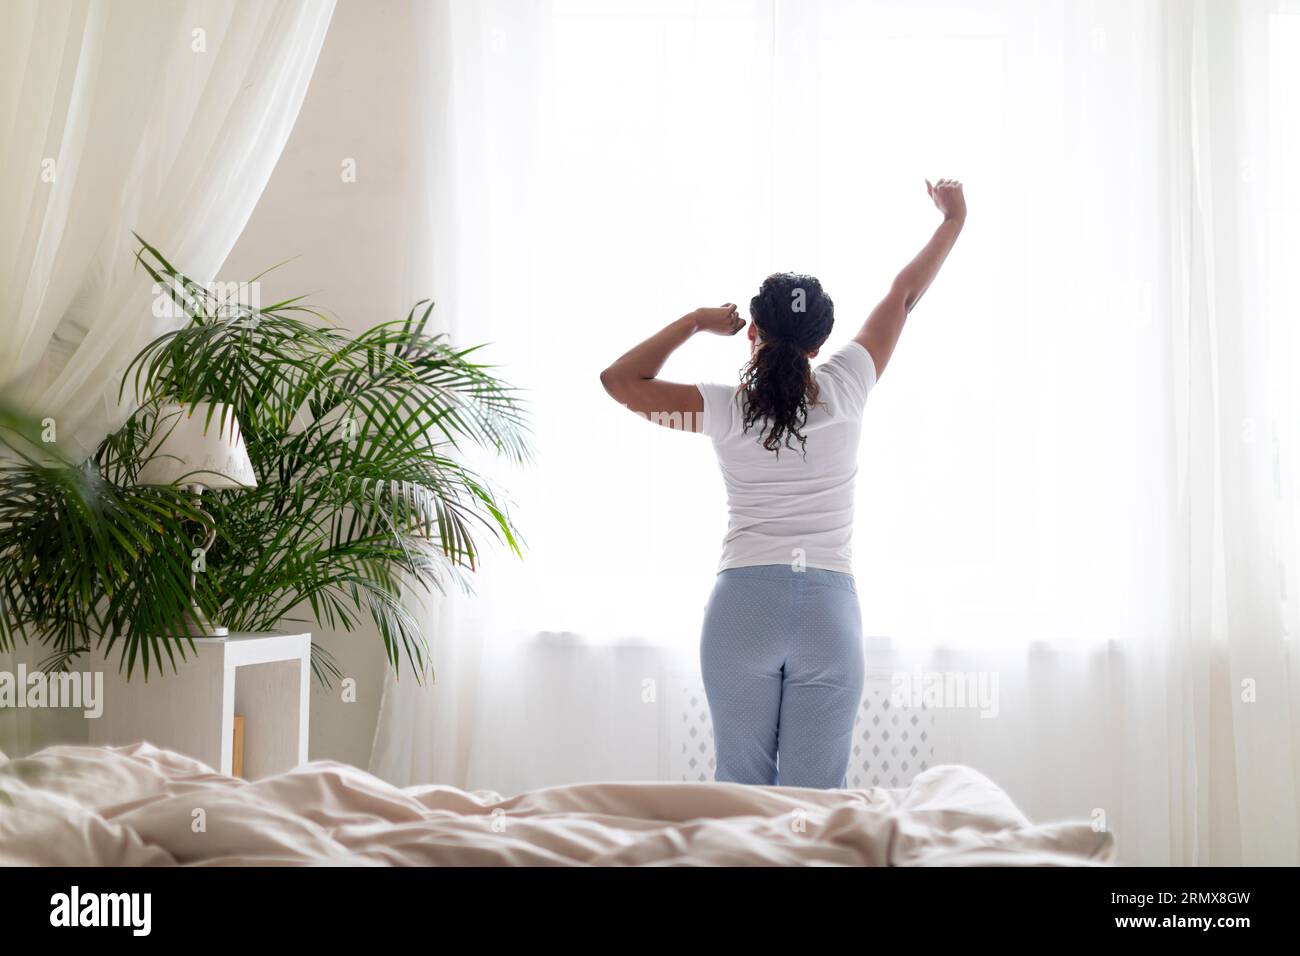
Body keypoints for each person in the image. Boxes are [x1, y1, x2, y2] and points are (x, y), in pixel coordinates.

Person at [599, 179, 966, 787]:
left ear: (752, 334)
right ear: (821, 341)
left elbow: (620, 381)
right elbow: (903, 297)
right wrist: (952, 220)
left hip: (743, 608)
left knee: (740, 801)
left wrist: (696, 321)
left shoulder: (723, 408)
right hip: (828, 613)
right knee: (817, 809)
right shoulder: (848, 384)